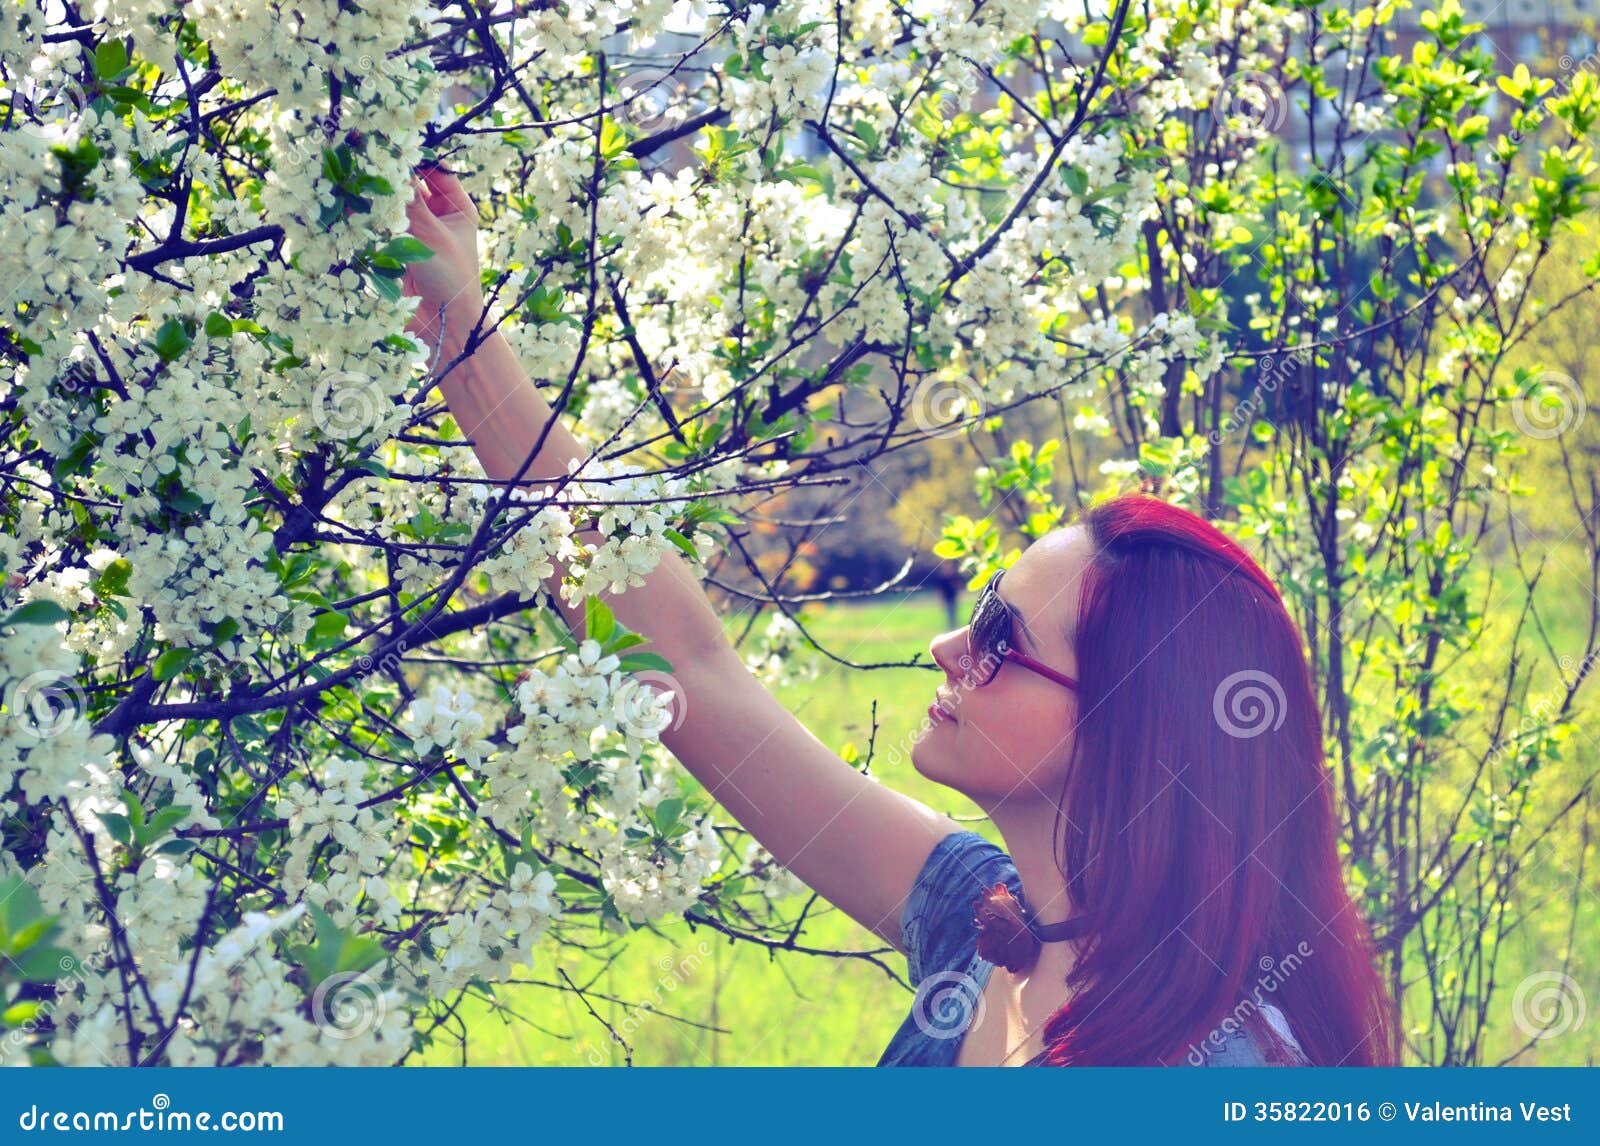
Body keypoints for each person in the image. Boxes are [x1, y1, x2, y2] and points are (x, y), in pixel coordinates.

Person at [400, 166, 1396, 1067]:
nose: (946, 645)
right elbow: (696, 673)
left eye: (1004, 640)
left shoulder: (1228, 1063)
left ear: (1130, 732)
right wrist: (461, 335)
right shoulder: (985, 920)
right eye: (979, 613)